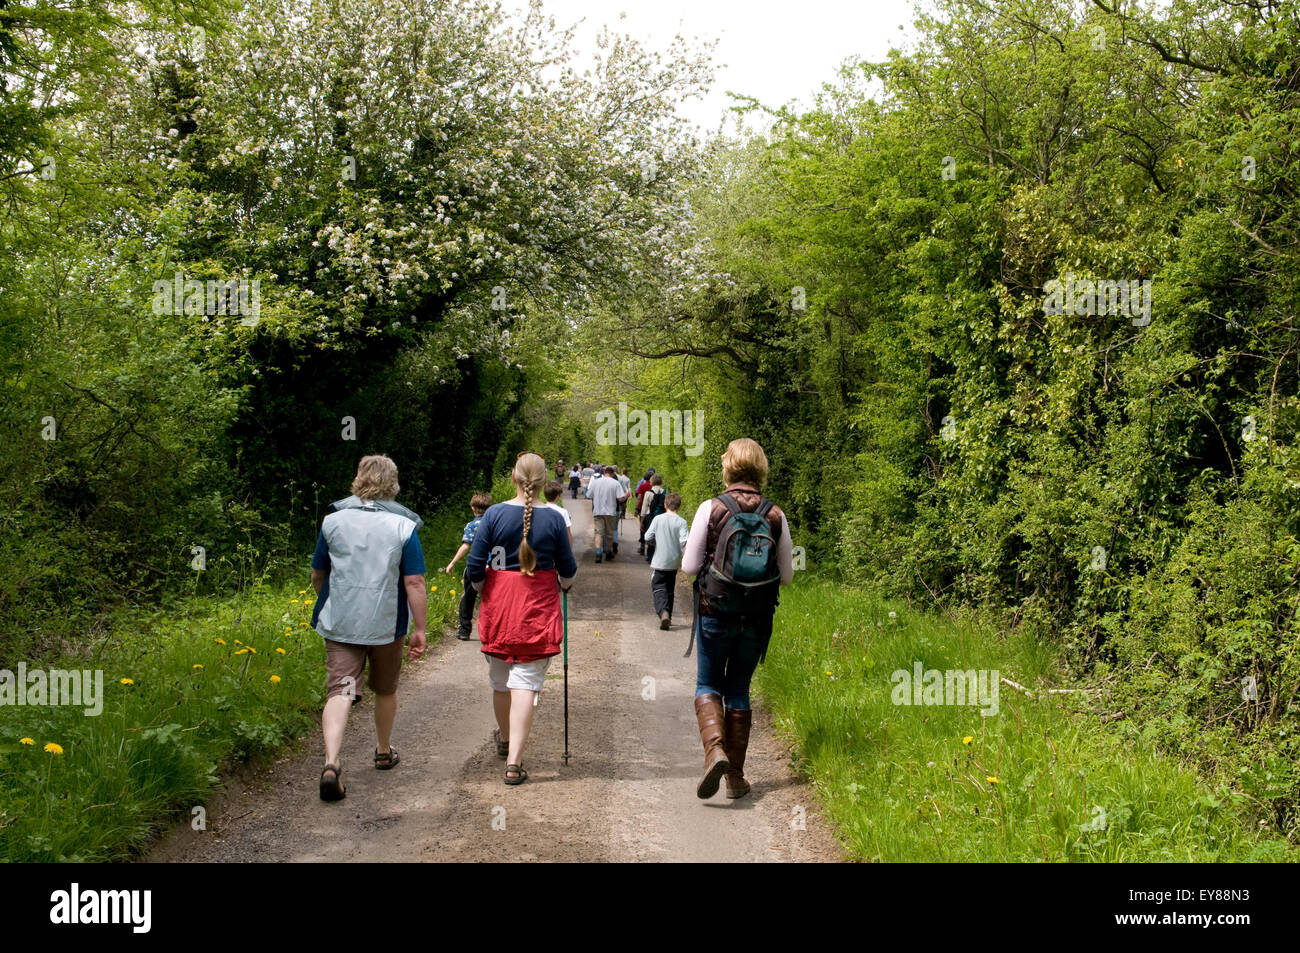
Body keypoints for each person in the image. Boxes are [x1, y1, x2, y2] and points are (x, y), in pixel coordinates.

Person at [681, 438, 793, 801]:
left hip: (715, 610)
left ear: (728, 467)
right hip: (756, 618)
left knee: (707, 684)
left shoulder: (711, 508)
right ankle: (736, 778)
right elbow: (787, 576)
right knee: (739, 690)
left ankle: (715, 752)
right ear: (760, 468)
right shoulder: (775, 515)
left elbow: (689, 566)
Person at [310, 454, 427, 801]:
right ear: (393, 484)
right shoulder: (403, 526)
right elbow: (415, 582)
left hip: (342, 623)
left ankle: (331, 763)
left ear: (359, 479)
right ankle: (381, 750)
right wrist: (420, 628)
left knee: (341, 691)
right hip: (385, 625)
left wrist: (334, 600)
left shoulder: (333, 521)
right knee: (386, 689)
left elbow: (318, 574)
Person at [466, 453, 577, 784]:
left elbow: (475, 564)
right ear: (544, 482)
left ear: (514, 478)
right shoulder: (556, 519)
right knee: (525, 683)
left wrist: (487, 587)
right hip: (537, 609)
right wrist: (564, 585)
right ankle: (513, 761)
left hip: (499, 609)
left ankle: (503, 737)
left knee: (501, 681)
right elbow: (568, 570)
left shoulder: (494, 514)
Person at [444, 492, 492, 641]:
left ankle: (464, 630)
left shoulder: (472, 526)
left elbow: (466, 546)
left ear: (472, 508)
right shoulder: (494, 523)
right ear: (489, 507)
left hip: (476, 566)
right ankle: (492, 631)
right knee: (491, 598)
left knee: (468, 598)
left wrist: (452, 562)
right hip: (493, 567)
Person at [645, 491, 689, 630]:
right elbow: (684, 543)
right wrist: (686, 561)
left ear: (665, 505)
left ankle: (663, 613)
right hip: (674, 562)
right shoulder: (682, 522)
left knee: (658, 588)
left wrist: (654, 543)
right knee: (669, 589)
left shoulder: (658, 519)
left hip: (659, 561)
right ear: (679, 506)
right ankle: (668, 614)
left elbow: (647, 537)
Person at [586, 465, 625, 562]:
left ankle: (598, 553)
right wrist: (627, 495)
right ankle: (608, 552)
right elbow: (620, 498)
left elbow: (588, 495)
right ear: (612, 474)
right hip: (610, 512)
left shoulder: (596, 482)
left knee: (598, 533)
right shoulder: (615, 483)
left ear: (604, 473)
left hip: (598, 511)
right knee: (609, 534)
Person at [640, 474, 667, 563]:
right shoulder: (665, 492)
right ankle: (659, 556)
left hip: (650, 517)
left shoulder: (648, 493)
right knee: (660, 536)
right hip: (662, 517)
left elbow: (644, 509)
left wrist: (641, 521)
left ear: (651, 481)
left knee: (651, 536)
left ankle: (650, 556)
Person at [543, 479, 573, 546]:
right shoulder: (563, 512)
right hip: (558, 546)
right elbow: (568, 533)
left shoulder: (540, 509)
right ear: (557, 496)